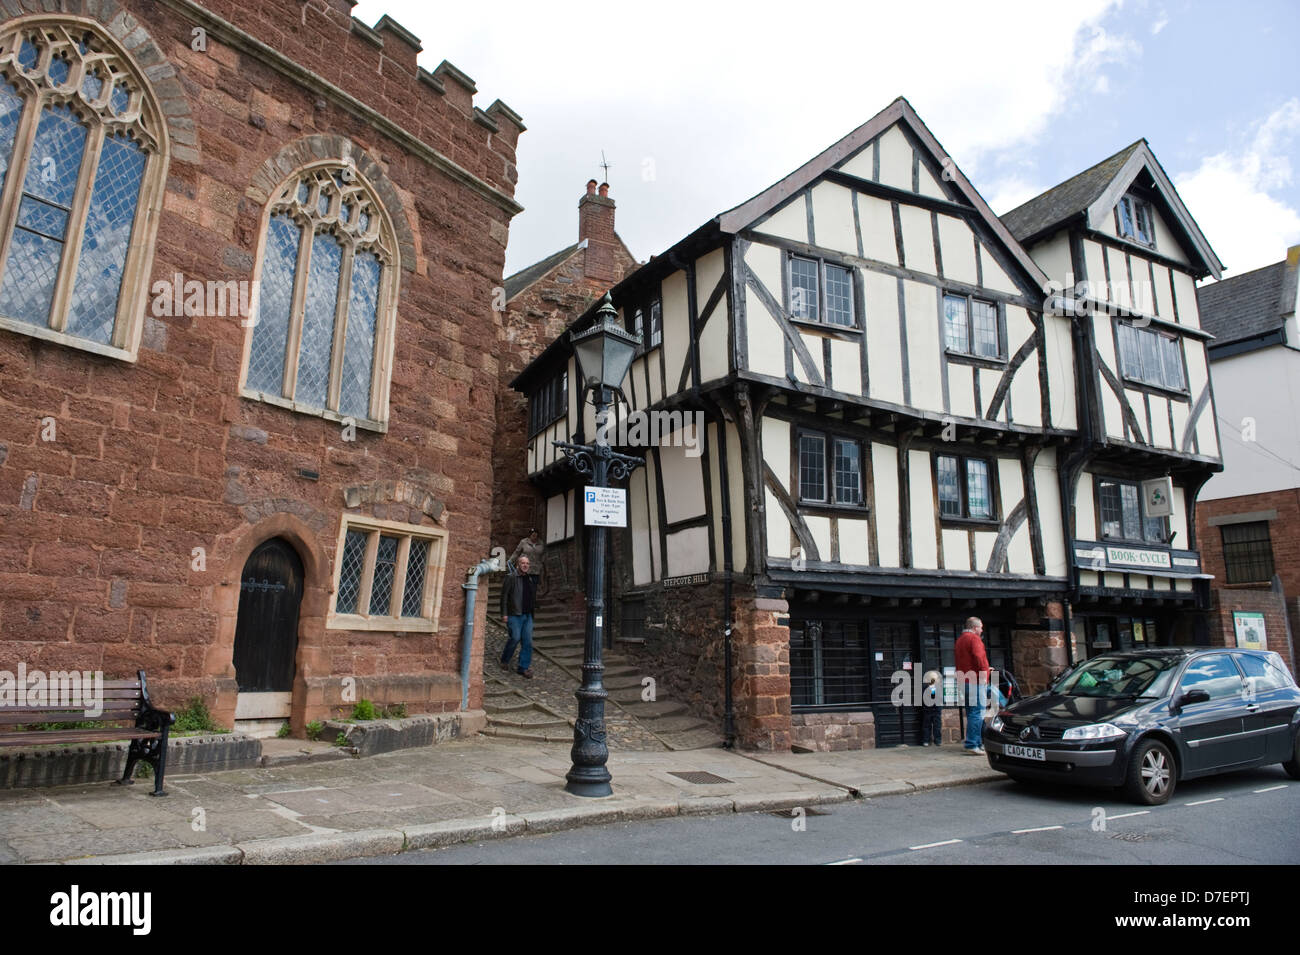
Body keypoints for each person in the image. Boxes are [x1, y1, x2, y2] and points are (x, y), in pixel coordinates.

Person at [954, 616, 991, 754]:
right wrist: (985, 675)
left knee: (971, 712)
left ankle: (978, 742)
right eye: (980, 627)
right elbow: (980, 658)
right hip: (976, 681)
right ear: (975, 628)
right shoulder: (974, 639)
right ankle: (972, 744)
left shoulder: (960, 640)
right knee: (977, 712)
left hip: (964, 680)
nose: (982, 630)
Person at [499, 555, 537, 678]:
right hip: (514, 614)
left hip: (527, 615)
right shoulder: (511, 578)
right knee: (515, 638)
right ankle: (505, 660)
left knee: (528, 642)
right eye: (523, 563)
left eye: (527, 563)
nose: (525, 565)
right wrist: (504, 613)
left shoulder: (530, 579)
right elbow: (504, 597)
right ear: (517, 565)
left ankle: (523, 668)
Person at [921, 670, 942, 747]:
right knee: (927, 726)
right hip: (928, 709)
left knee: (937, 726)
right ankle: (926, 740)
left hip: (936, 709)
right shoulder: (925, 687)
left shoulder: (938, 687)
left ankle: (937, 740)